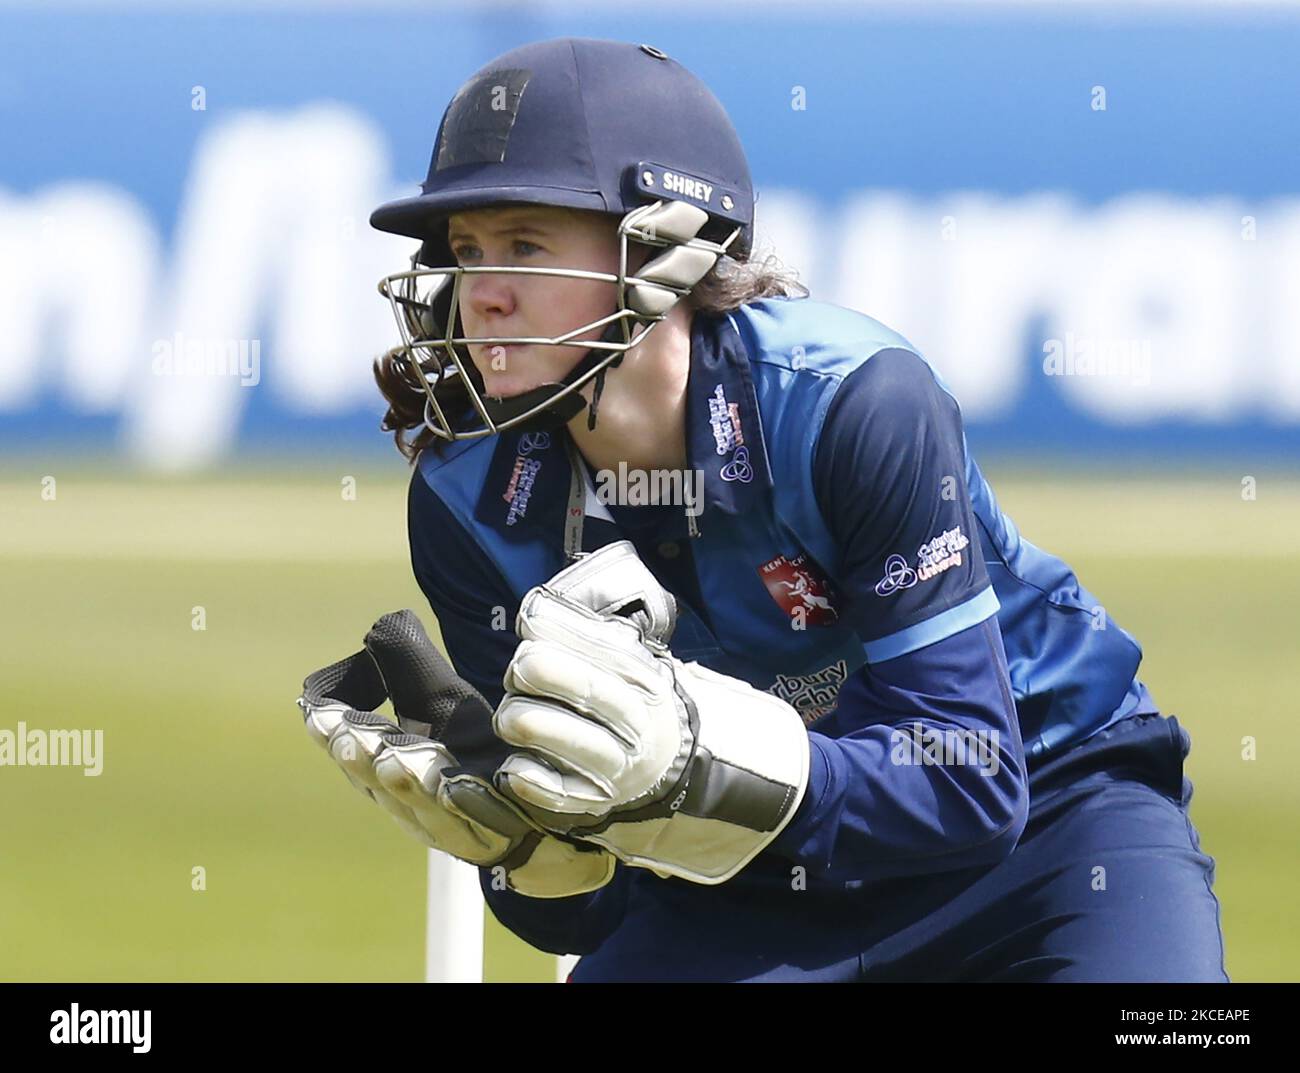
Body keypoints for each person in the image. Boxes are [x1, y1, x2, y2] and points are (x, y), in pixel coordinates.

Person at [301, 36, 1228, 982]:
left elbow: (975, 778)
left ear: (662, 247)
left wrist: (718, 761)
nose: (482, 294)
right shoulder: (466, 503)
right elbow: (601, 911)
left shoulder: (852, 404)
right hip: (748, 880)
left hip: (1053, 821)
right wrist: (536, 856)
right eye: (467, 251)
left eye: (525, 246)